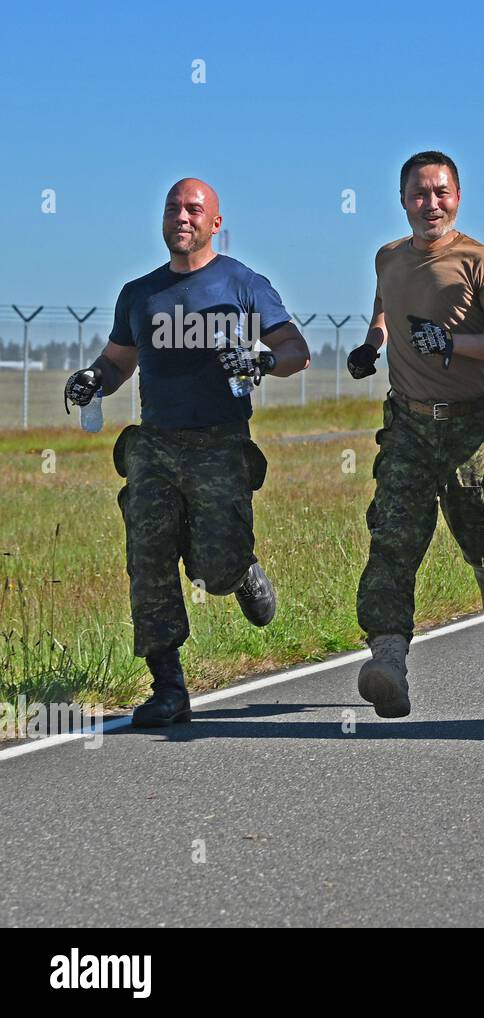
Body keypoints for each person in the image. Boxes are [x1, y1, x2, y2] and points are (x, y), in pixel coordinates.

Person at [63, 178, 311, 727]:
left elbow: (297, 350)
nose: (183, 216)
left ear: (215, 223)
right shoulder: (139, 293)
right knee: (147, 555)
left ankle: (240, 569)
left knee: (214, 569)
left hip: (221, 441)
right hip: (154, 443)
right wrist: (91, 379)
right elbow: (117, 361)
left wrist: (263, 361)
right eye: (174, 208)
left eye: (194, 209)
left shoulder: (243, 284)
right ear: (163, 220)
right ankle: (168, 687)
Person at [346, 150, 484, 719]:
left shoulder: (481, 261)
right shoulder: (388, 258)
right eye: (420, 194)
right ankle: (388, 658)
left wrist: (452, 344)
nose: (432, 204)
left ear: (458, 196)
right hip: (406, 425)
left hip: (469, 425)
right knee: (393, 540)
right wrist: (371, 346)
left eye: (442, 192)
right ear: (402, 201)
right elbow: (385, 309)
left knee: (479, 530)